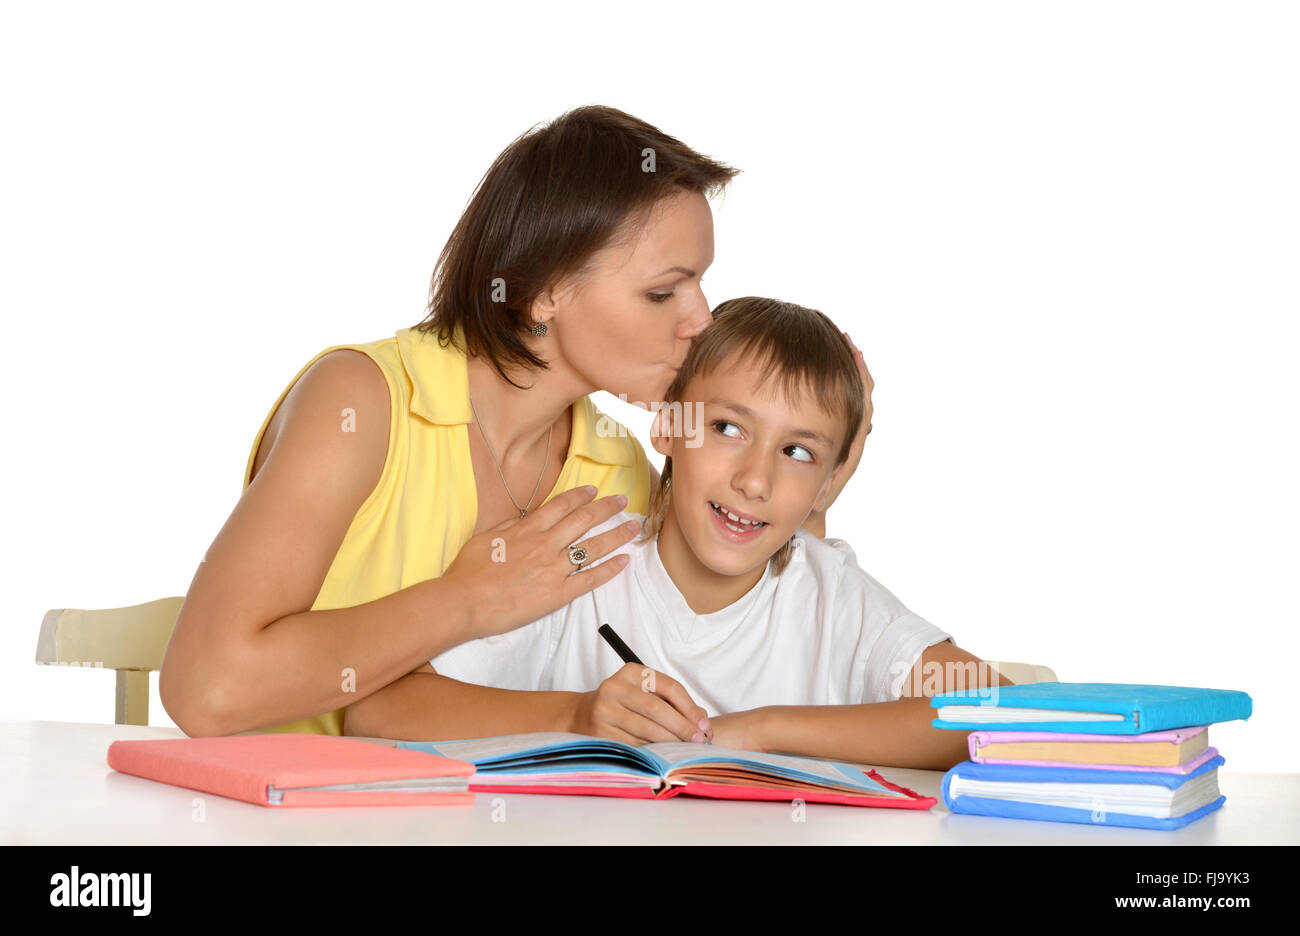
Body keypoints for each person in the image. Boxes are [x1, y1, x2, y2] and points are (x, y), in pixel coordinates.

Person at [159, 106, 874, 738]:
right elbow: (207, 691)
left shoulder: (613, 466)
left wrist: (818, 472)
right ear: (543, 292)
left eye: (699, 281)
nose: (700, 320)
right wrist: (466, 600)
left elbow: (755, 608)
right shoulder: (361, 404)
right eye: (663, 291)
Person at [345, 297, 1013, 771]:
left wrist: (762, 729)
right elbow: (377, 714)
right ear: (667, 427)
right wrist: (578, 717)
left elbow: (1003, 714)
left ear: (832, 483)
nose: (755, 480)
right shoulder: (588, 558)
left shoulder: (831, 594)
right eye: (727, 428)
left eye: (799, 453)